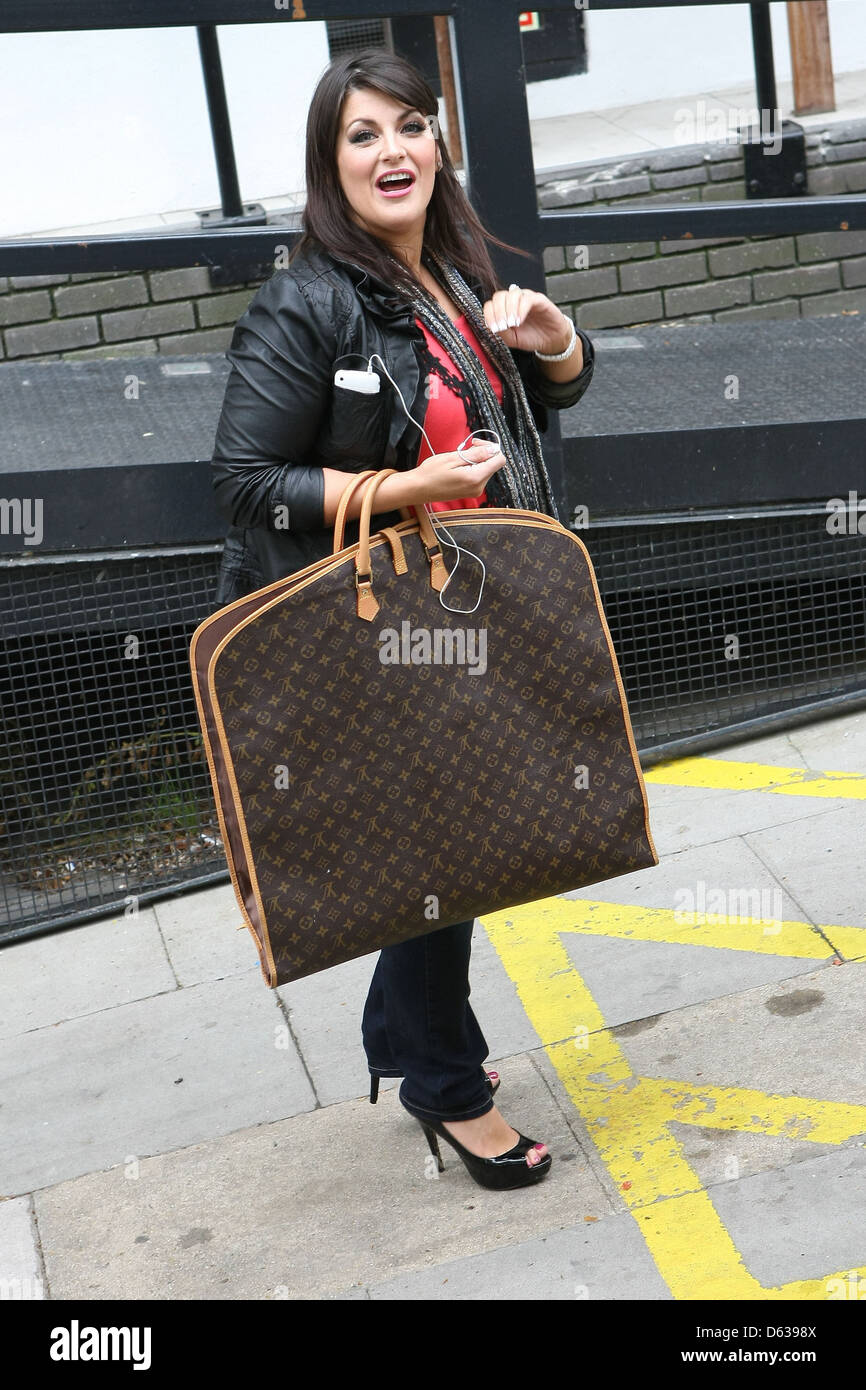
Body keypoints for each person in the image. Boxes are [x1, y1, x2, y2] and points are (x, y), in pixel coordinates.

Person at [210, 48, 596, 1192]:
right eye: (362, 135)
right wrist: (404, 491)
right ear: (331, 167)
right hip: (385, 628)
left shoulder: (455, 274)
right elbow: (243, 482)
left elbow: (553, 396)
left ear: (440, 144)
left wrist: (554, 342)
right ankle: (445, 1084)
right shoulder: (308, 300)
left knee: (460, 845)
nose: (392, 151)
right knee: (449, 849)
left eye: (409, 126)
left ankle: (411, 1049)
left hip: (472, 609)